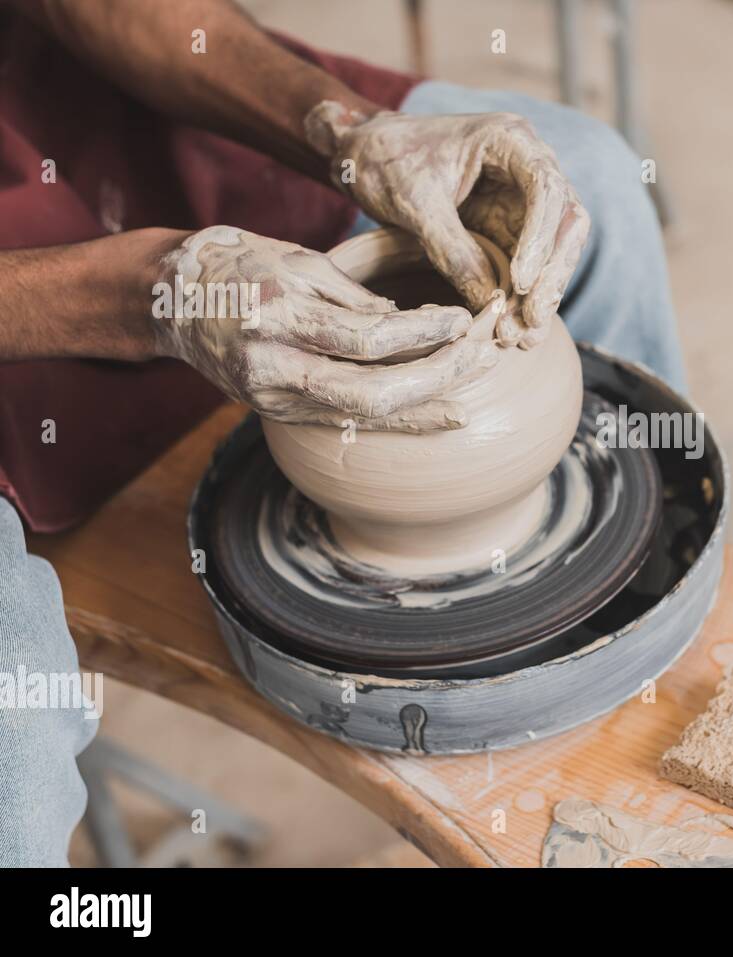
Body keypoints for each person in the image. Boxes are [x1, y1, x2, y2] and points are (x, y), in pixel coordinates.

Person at [0, 0, 684, 866]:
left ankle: (637, 690)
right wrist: (146, 293)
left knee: (594, 183)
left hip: (59, 122)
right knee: (9, 730)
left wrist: (353, 136)